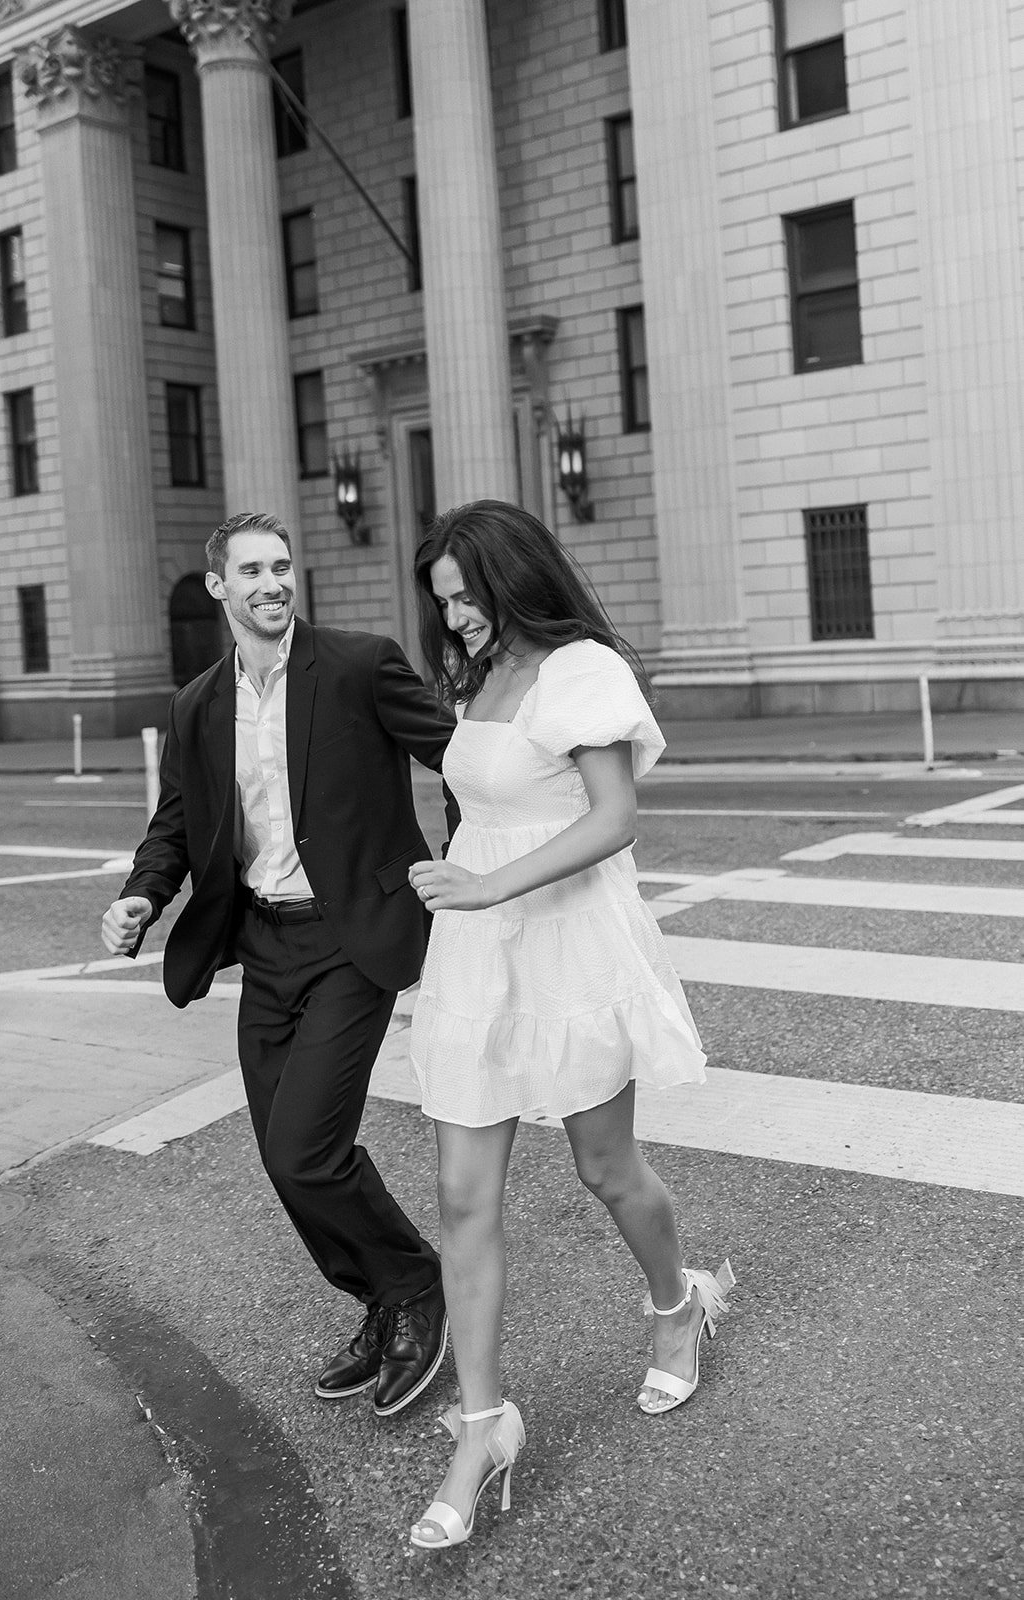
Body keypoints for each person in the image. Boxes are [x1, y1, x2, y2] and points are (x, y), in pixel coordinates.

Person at [404, 500, 734, 1550]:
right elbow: (490, 797)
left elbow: (611, 816)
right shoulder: (479, 676)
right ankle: (483, 1425)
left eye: (465, 595)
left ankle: (673, 1302)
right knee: (461, 1196)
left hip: (566, 943)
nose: (453, 617)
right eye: (443, 601)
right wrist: (462, 887)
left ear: (512, 576)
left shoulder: (579, 667)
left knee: (606, 1168)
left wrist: (491, 883)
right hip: (479, 950)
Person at [100, 510, 459, 1419]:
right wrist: (145, 894)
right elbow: (177, 822)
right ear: (219, 586)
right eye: (252, 571)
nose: (272, 584)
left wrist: (469, 862)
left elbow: (459, 757)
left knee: (306, 1149)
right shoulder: (196, 703)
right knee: (286, 1155)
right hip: (265, 944)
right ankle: (385, 1297)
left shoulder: (356, 663)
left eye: (282, 567)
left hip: (352, 937)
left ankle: (418, 1286)